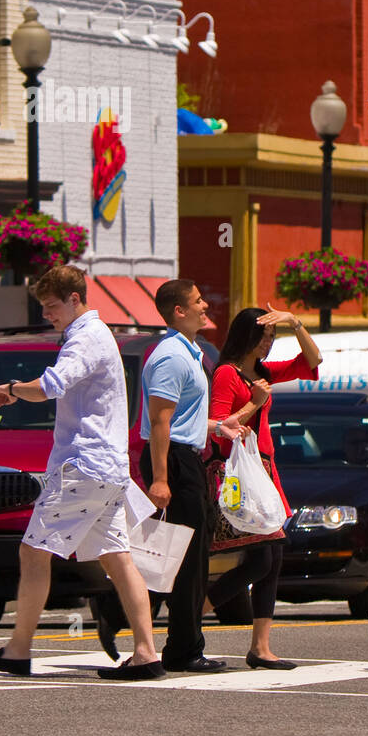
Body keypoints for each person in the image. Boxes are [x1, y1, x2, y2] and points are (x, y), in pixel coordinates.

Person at [0, 265, 165, 680]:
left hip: (84, 465)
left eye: (52, 306)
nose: (47, 315)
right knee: (118, 559)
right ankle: (146, 652)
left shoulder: (86, 337)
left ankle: (18, 650)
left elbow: (50, 386)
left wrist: (12, 388)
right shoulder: (97, 334)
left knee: (34, 551)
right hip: (105, 467)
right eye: (44, 307)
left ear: (76, 299)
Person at [206, 305, 322, 670]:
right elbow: (219, 423)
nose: (269, 344)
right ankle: (195, 613)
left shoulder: (263, 372)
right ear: (248, 337)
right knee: (265, 557)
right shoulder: (227, 374)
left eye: (272, 337)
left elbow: (312, 361)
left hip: (265, 471)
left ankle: (260, 646)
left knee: (269, 558)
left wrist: (296, 322)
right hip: (238, 473)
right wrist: (253, 404)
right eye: (265, 337)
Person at [139, 279, 244, 673]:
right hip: (175, 463)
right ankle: (182, 649)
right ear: (178, 311)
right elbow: (160, 421)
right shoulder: (171, 356)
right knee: (184, 557)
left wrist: (218, 427)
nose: (206, 305)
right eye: (198, 301)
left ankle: (180, 642)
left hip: (185, 458)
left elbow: (183, 418)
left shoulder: (189, 351)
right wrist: (161, 479)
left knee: (190, 556)